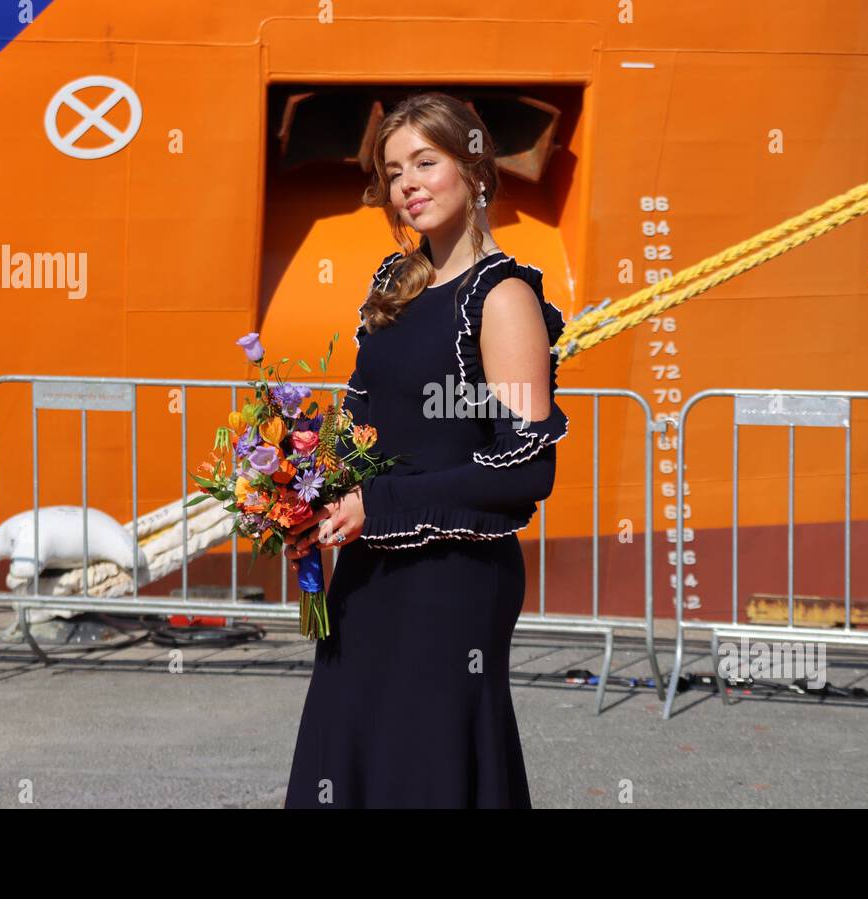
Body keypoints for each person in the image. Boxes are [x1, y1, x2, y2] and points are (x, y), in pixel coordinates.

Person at [282, 92, 569, 809]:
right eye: (393, 171)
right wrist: (301, 484)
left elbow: (527, 463)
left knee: (424, 763)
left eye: (424, 162)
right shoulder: (395, 284)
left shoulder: (501, 297)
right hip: (369, 572)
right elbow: (361, 422)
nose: (407, 183)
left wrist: (377, 503)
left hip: (452, 579)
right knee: (350, 746)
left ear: (474, 167)